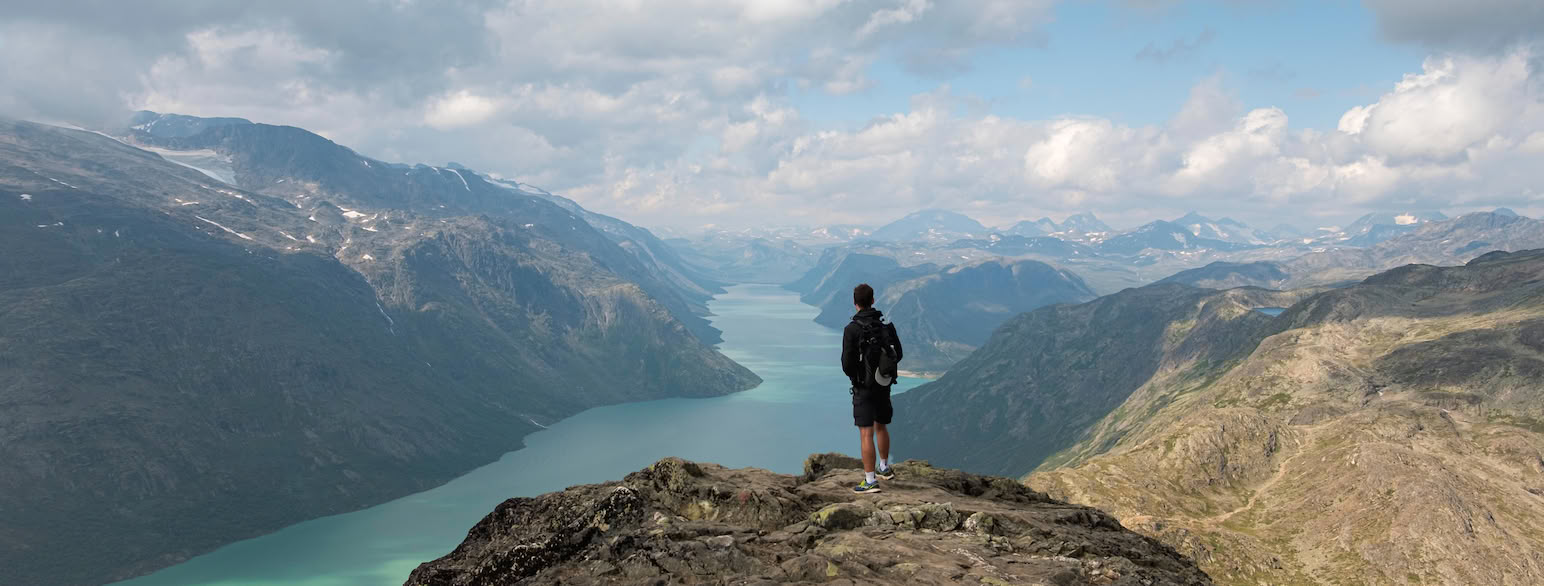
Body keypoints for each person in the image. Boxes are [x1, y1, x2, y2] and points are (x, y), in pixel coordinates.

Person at [841, 283, 903, 494]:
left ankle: (869, 481)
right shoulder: (884, 326)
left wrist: (856, 377)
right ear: (873, 301)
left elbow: (846, 363)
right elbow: (898, 355)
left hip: (863, 387)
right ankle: (884, 468)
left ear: (855, 302)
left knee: (866, 434)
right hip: (883, 384)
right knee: (881, 426)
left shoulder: (852, 329)